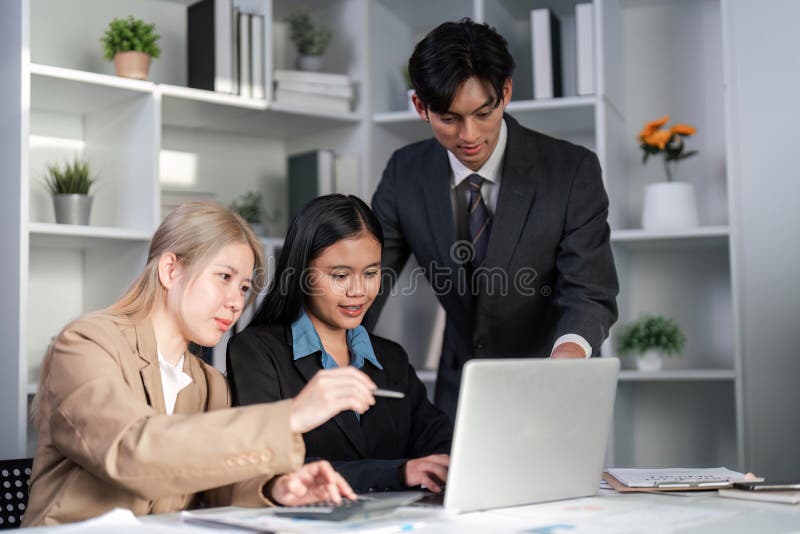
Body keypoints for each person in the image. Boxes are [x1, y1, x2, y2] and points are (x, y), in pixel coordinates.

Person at [24, 201, 377, 527]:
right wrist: (291, 416)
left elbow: (219, 483)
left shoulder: (210, 384)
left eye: (243, 288)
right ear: (170, 269)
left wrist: (277, 488)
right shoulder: (85, 344)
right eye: (224, 277)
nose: (236, 302)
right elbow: (130, 452)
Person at [366, 19, 619, 420]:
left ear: (506, 92)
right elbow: (369, 274)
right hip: (460, 387)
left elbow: (589, 290)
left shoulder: (571, 170)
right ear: (420, 108)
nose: (469, 135)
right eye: (449, 118)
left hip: (554, 378)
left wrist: (567, 357)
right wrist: (335, 350)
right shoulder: (405, 173)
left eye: (483, 113)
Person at [227, 194, 453, 494]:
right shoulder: (256, 351)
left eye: (371, 273)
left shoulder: (391, 358)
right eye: (341, 275)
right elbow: (269, 463)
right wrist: (398, 472)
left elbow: (439, 440)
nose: (358, 290)